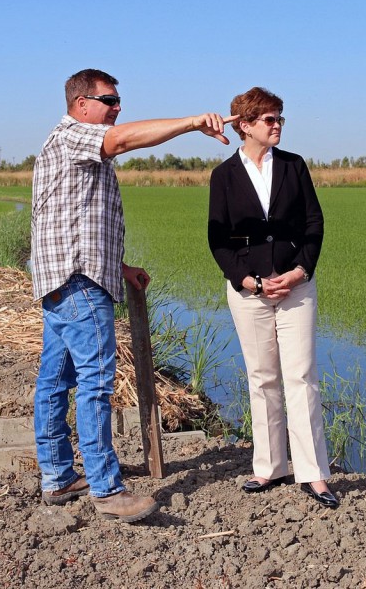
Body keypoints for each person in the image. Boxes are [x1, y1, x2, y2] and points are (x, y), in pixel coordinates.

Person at [31, 68, 233, 522]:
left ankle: (58, 477)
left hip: (63, 282)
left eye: (118, 101)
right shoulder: (74, 136)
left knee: (55, 382)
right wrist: (192, 123)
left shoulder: (69, 146)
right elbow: (122, 140)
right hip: (80, 284)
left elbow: (73, 218)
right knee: (96, 383)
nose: (117, 108)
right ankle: (107, 489)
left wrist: (119, 267)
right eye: (109, 100)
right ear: (81, 104)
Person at [207, 86, 338, 509]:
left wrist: (299, 272)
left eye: (280, 117)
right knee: (262, 377)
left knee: (301, 376)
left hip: (297, 287)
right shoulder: (224, 176)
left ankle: (314, 474)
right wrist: (250, 281)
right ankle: (269, 467)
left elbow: (314, 224)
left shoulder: (294, 166)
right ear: (245, 125)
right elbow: (218, 240)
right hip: (249, 292)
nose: (277, 124)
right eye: (269, 119)